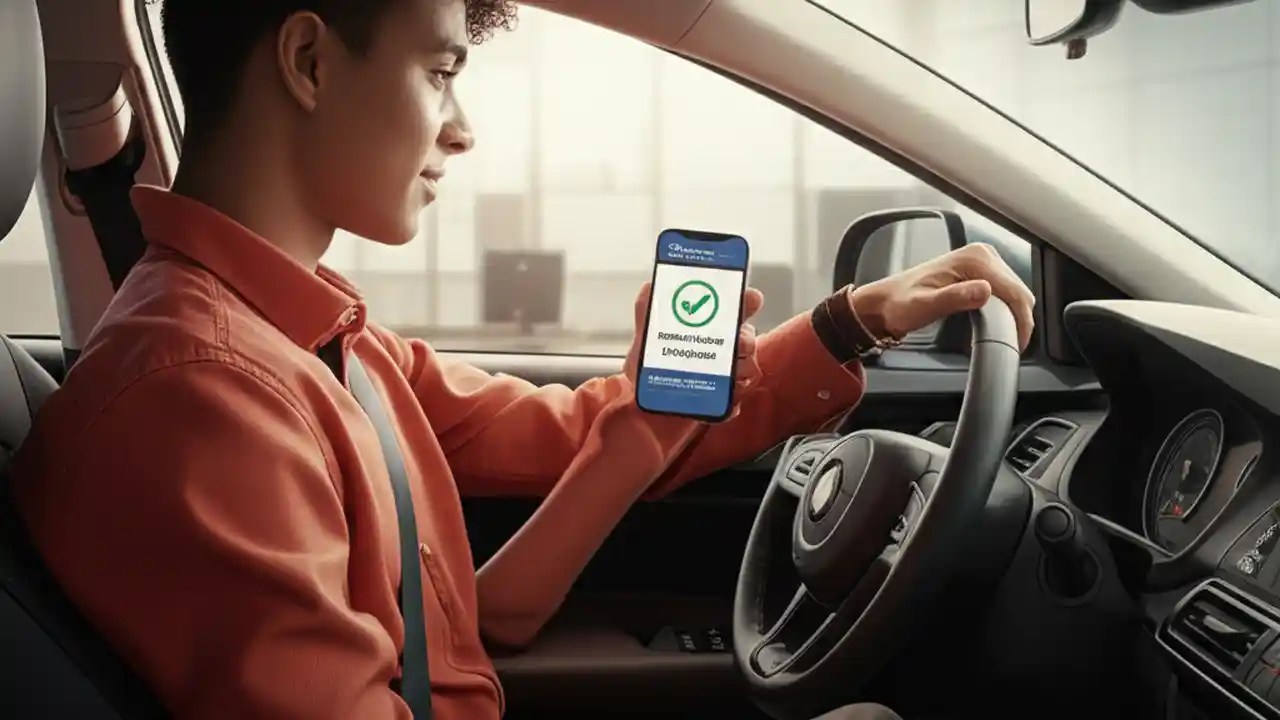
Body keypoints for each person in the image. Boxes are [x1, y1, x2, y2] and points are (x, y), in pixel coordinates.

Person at [9, 0, 1036, 718]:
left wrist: (852, 322)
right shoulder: (201, 397)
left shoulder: (313, 336)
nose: (461, 131)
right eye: (439, 72)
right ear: (310, 62)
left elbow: (564, 454)